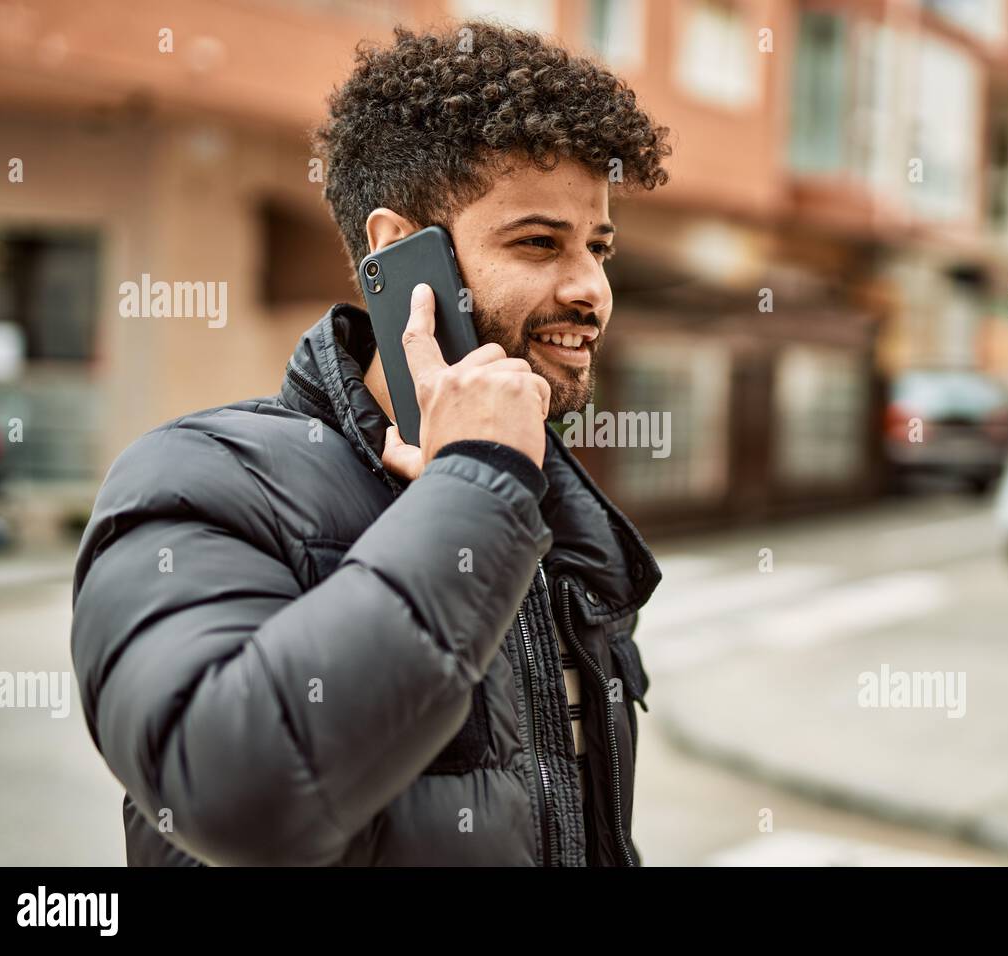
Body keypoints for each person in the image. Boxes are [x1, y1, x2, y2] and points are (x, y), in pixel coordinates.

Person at [70, 18, 672, 866]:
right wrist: (475, 483)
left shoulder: (555, 516)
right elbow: (227, 794)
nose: (592, 291)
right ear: (399, 255)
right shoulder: (198, 479)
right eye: (539, 242)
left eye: (598, 248)